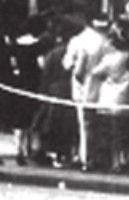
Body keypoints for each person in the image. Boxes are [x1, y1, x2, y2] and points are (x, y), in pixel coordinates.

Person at [63, 13, 112, 170]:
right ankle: (100, 158)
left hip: (82, 88)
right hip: (104, 89)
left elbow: (67, 64)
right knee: (101, 126)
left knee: (85, 125)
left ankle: (86, 157)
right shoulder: (107, 43)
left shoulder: (77, 41)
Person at [91, 21, 129, 174]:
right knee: (125, 132)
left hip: (109, 99)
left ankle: (116, 162)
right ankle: (127, 159)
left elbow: (95, 72)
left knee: (113, 134)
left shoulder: (110, 59)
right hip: (126, 97)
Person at [35, 19, 78, 168]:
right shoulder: (73, 52)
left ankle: (53, 154)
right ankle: (67, 153)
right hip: (71, 91)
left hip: (55, 92)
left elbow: (46, 75)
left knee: (52, 125)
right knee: (69, 126)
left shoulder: (53, 54)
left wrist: (42, 93)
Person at [9, 16, 47, 165]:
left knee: (18, 118)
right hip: (33, 84)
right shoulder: (37, 46)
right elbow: (41, 65)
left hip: (18, 84)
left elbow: (13, 65)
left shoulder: (15, 45)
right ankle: (31, 148)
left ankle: (19, 149)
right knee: (32, 118)